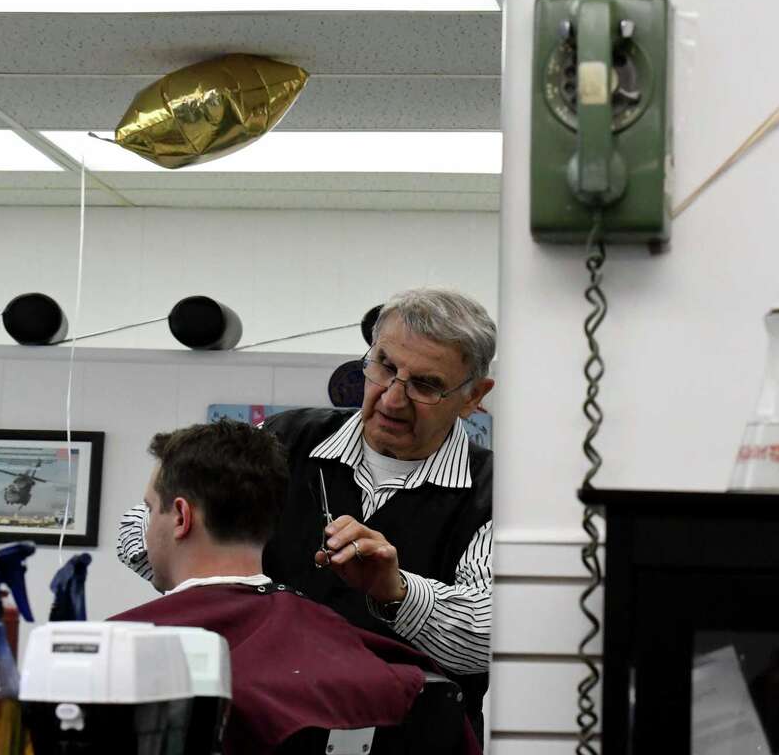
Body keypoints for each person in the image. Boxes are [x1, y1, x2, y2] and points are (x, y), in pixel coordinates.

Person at [117, 288, 497, 732]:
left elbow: (491, 638)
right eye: (385, 368)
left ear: (474, 396)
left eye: (425, 385)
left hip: (413, 738)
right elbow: (139, 532)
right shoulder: (280, 440)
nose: (392, 399)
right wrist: (227, 573)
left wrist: (398, 593)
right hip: (261, 731)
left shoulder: (497, 492)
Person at [111, 420, 480, 755]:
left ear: (180, 516)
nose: (144, 527)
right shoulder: (399, 677)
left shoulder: (111, 656)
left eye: (149, 508)